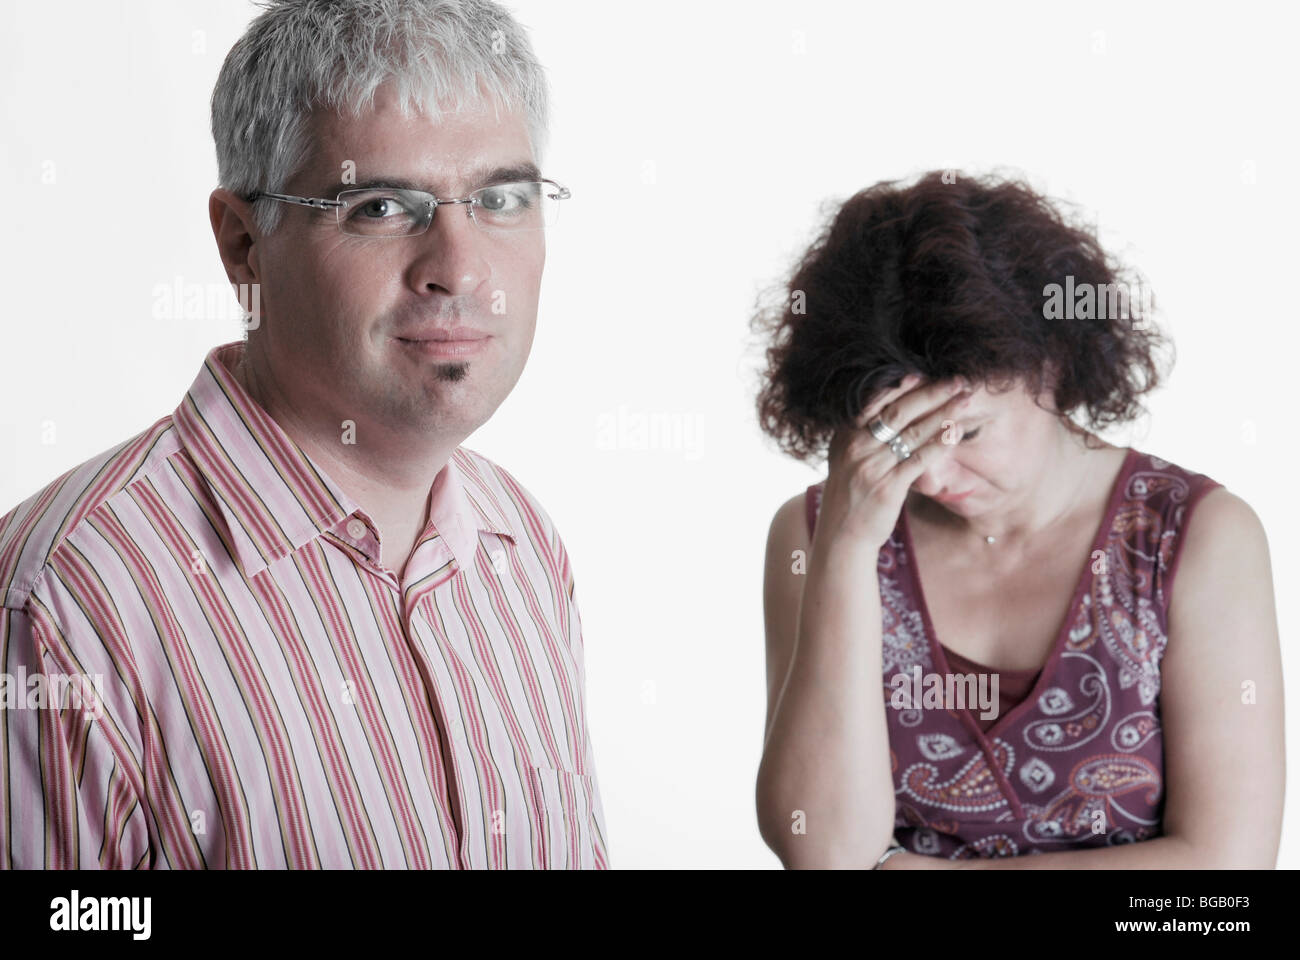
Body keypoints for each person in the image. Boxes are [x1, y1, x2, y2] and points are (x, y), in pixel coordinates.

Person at [0, 0, 608, 869]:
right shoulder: (62, 606)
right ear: (244, 245)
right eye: (381, 207)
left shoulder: (524, 548)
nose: (462, 268)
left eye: (500, 198)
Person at [752, 171, 1283, 869]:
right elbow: (822, 852)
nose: (931, 477)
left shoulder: (1197, 538)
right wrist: (847, 552)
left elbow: (1222, 885)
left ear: (1051, 368)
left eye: (966, 433)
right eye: (893, 438)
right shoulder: (819, 534)